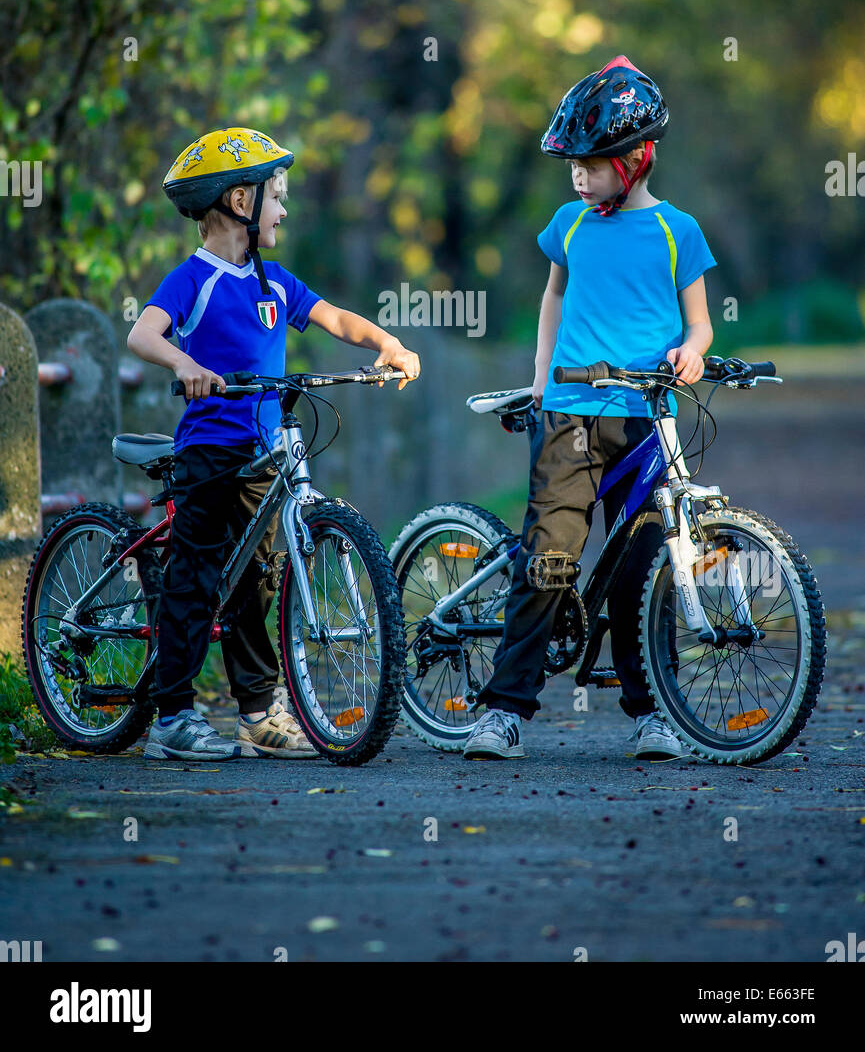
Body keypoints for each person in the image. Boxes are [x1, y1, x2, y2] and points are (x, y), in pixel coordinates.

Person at [127, 128, 420, 762]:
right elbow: (142, 335)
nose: (284, 210)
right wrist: (184, 365)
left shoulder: (274, 281)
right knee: (195, 578)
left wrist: (386, 345)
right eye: (277, 197)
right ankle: (172, 720)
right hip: (210, 447)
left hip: (265, 451)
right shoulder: (192, 279)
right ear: (239, 201)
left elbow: (335, 318)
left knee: (257, 580)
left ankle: (258, 715)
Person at [464, 56, 716, 761]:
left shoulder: (677, 231)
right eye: (572, 161)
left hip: (646, 418)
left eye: (593, 161)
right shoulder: (569, 225)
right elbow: (552, 297)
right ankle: (503, 711)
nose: (578, 173)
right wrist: (541, 376)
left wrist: (693, 351)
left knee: (644, 572)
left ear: (636, 158)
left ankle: (652, 716)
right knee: (549, 558)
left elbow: (698, 322)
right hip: (569, 412)